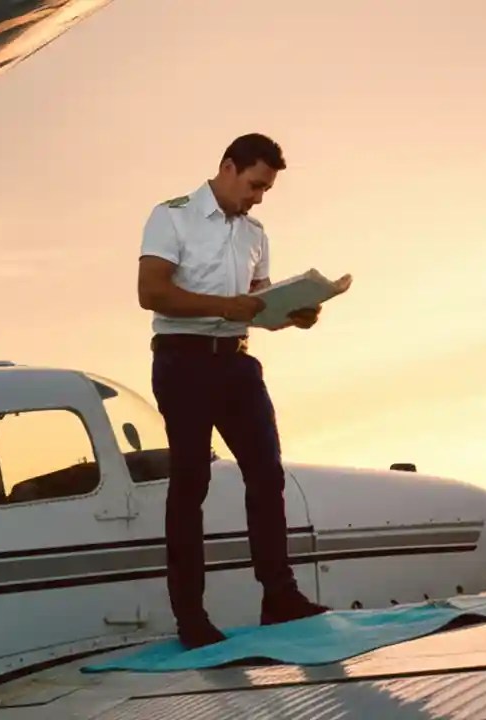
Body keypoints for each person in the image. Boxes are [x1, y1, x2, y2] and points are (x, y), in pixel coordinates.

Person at [136, 133, 330, 649]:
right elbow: (151, 293)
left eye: (266, 189)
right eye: (254, 185)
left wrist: (294, 316)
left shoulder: (256, 234)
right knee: (190, 485)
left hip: (236, 364)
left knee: (267, 475)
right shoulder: (171, 216)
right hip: (182, 362)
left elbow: (256, 309)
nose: (259, 197)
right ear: (227, 167)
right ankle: (190, 617)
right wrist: (225, 308)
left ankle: (279, 597)